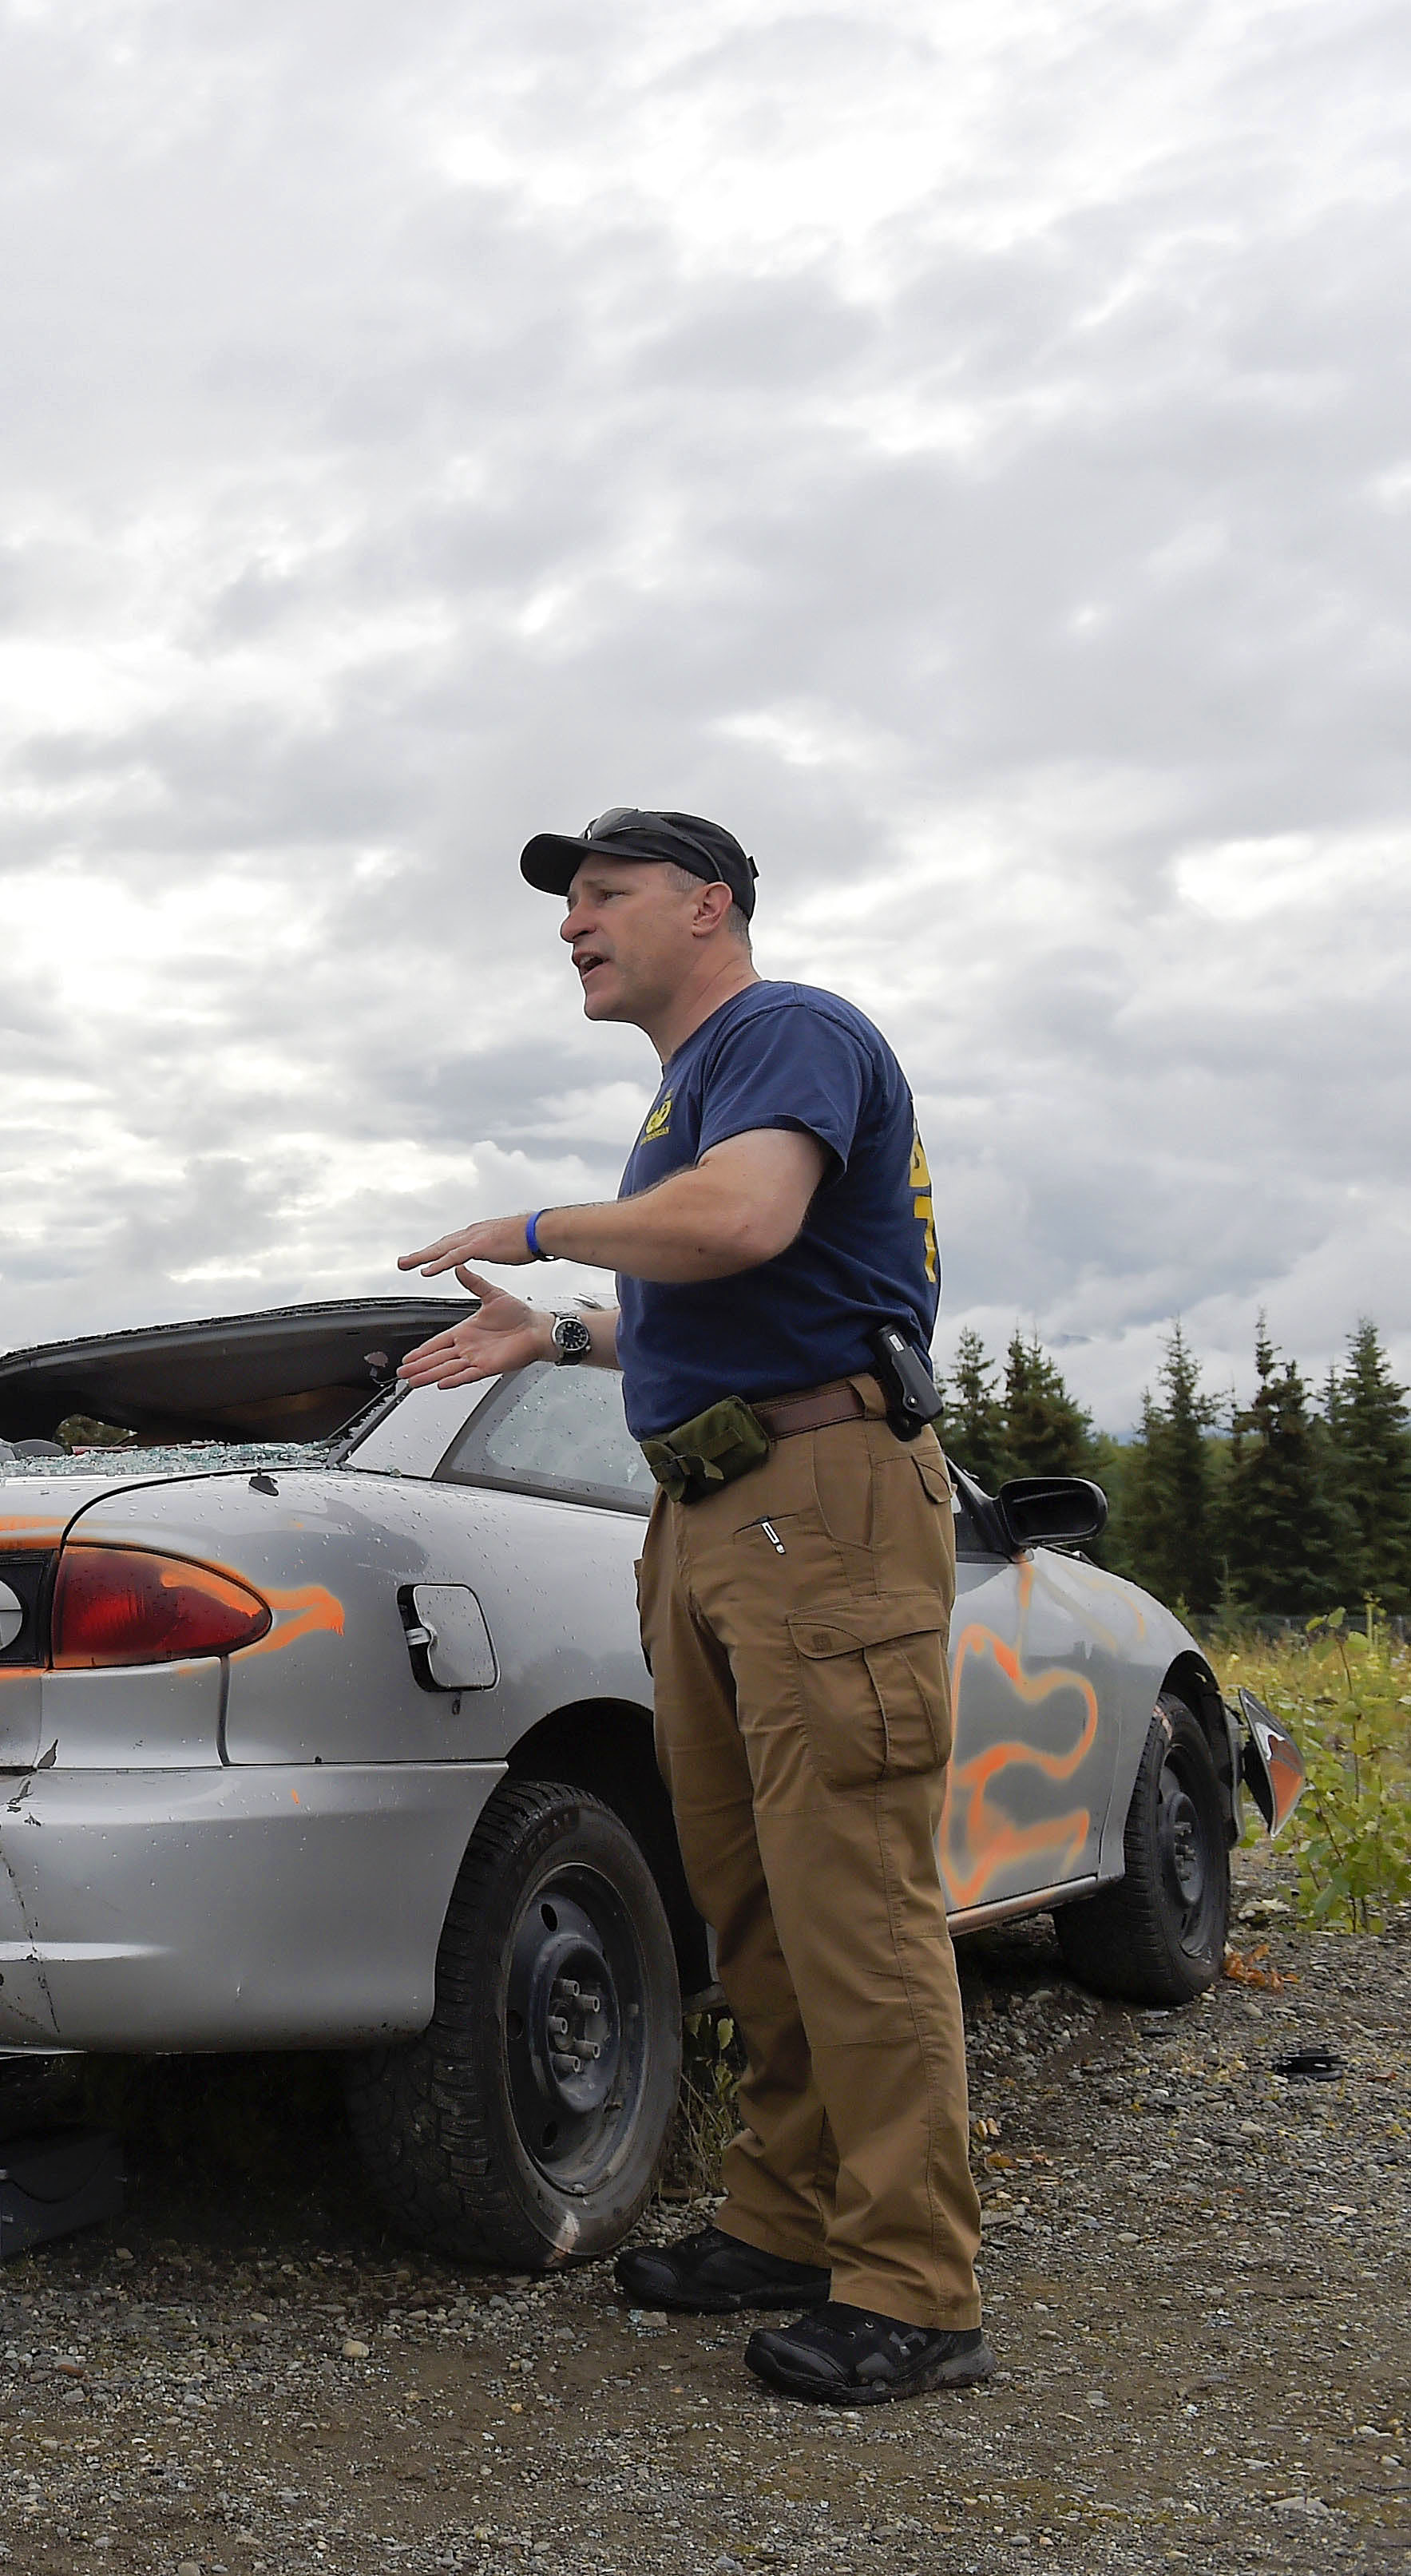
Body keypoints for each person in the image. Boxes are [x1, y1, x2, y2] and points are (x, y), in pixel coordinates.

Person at [397, 806, 985, 2407]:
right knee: (751, 1899)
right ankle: (786, 2219)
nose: (569, 923)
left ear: (706, 906)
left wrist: (527, 1223)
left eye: (601, 892)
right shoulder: (693, 1090)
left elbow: (744, 1223)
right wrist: (560, 1334)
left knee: (849, 1903)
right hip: (716, 1509)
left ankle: (911, 2286)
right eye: (561, 902)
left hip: (823, 1504)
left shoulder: (780, 1030)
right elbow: (717, 1284)